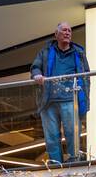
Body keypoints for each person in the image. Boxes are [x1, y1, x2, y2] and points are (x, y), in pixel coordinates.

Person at [30, 22, 91, 165]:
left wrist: (85, 99)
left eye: (69, 31)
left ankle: (74, 161)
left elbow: (86, 76)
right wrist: (37, 75)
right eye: (64, 30)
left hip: (70, 98)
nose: (67, 33)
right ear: (56, 34)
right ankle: (55, 164)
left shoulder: (79, 53)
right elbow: (35, 67)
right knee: (51, 136)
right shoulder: (45, 51)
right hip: (48, 100)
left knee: (72, 133)